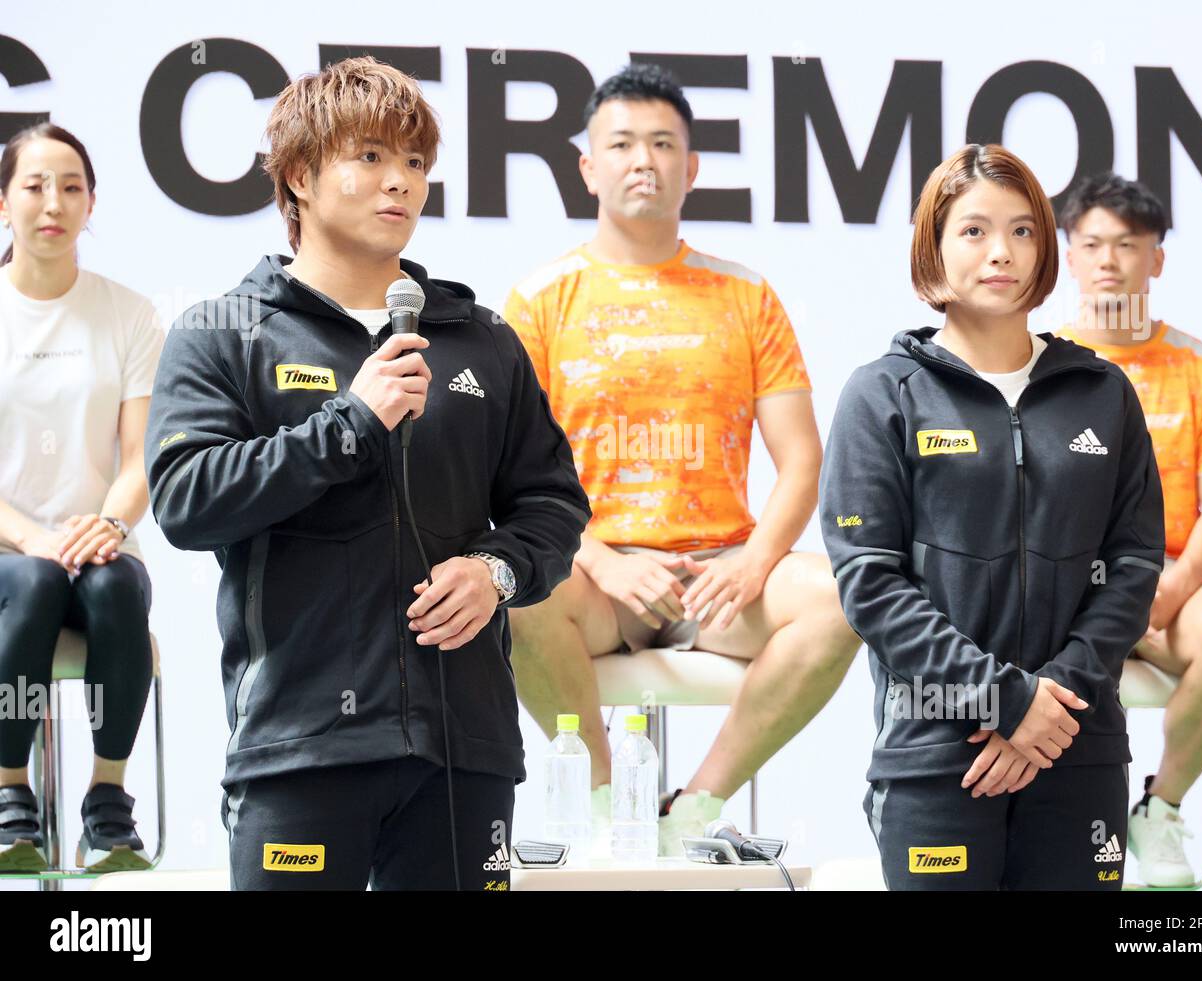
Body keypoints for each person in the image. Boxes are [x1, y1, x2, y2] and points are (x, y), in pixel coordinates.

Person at [143, 56, 589, 890]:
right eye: (372, 156)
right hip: (299, 748)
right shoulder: (223, 333)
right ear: (302, 176)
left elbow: (553, 504)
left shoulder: (481, 339)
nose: (402, 184)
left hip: (466, 748)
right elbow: (186, 499)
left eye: (416, 164)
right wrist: (349, 421)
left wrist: (498, 570)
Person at [502, 63, 861, 856]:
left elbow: (803, 459)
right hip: (596, 575)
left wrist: (755, 560)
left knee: (843, 598)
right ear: (588, 167)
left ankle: (694, 807)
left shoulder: (746, 295)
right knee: (519, 592)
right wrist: (595, 558)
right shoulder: (539, 300)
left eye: (664, 144)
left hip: (719, 573)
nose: (644, 160)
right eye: (622, 143)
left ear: (691, 168)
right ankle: (606, 808)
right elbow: (507, 472)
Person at [821, 144, 1166, 890]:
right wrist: (1007, 701)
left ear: (1044, 248)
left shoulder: (1103, 392)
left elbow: (1134, 567)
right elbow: (871, 585)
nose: (1000, 252)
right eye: (973, 231)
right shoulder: (883, 393)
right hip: (937, 750)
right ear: (934, 248)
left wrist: (1048, 709)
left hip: (1080, 746)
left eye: (1022, 231)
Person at [1058, 173, 1202, 887]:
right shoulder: (1038, 359)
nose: (1109, 260)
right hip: (1064, 581)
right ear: (1070, 256)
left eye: (1127, 244)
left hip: (1170, 580)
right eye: (1092, 245)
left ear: (1157, 259)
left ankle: (1158, 807)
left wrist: (1170, 589)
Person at [0, 123, 161, 872]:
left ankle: (107, 799)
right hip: (11, 558)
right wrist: (31, 537)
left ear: (91, 202)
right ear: (5, 202)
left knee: (120, 581)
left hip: (94, 547)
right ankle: (10, 794)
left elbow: (142, 458)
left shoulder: (128, 314)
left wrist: (108, 522)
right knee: (34, 580)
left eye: (71, 187)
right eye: (34, 186)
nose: (53, 203)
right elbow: (30, 551)